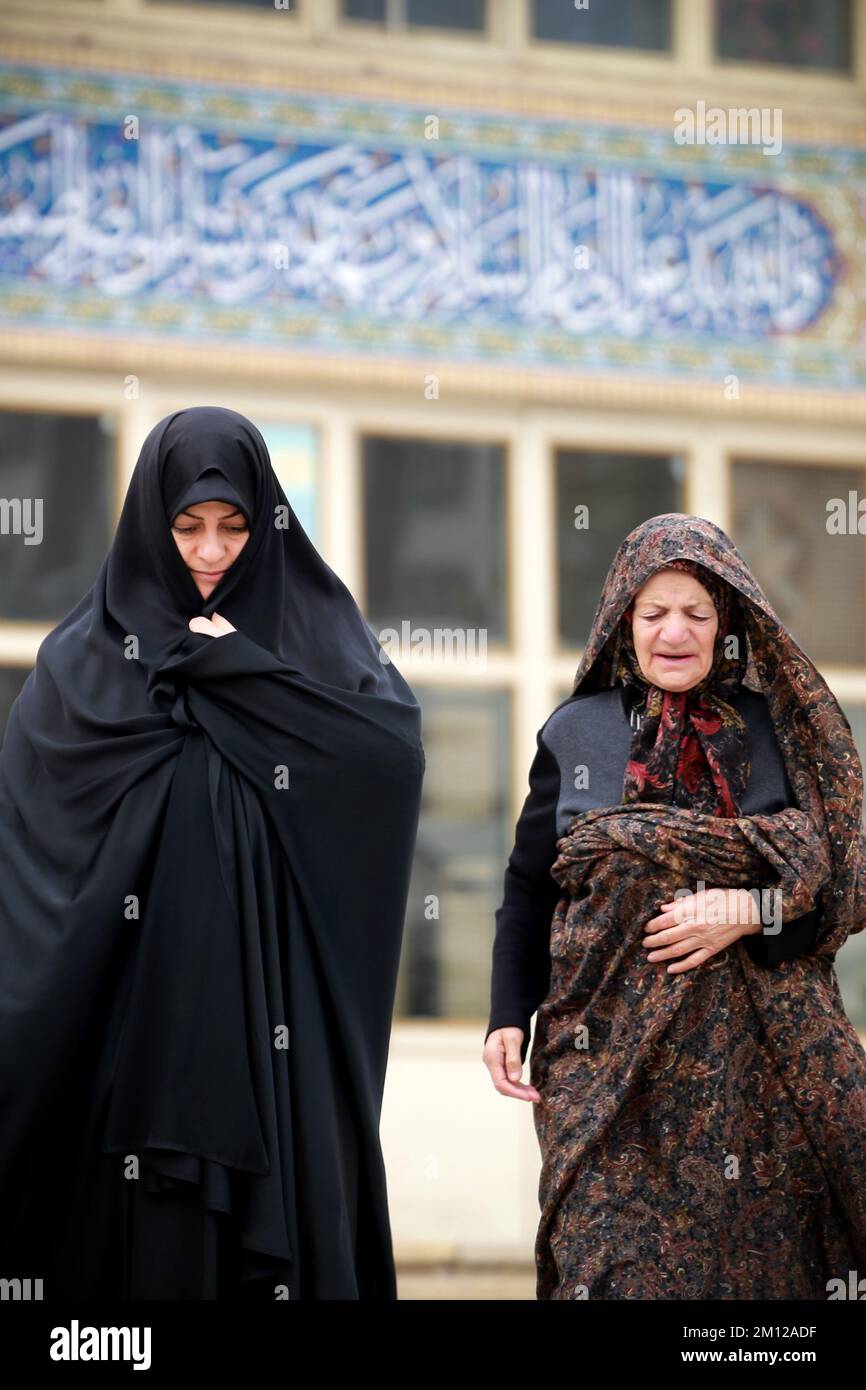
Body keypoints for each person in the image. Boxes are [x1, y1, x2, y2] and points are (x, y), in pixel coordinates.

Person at [0, 405, 425, 1300]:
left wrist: (245, 675)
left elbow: (385, 760)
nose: (210, 551)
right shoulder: (81, 663)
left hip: (278, 1028)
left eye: (234, 526)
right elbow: (38, 829)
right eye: (187, 526)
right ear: (150, 523)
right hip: (122, 1024)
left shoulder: (316, 638)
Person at [483, 512, 866, 1300]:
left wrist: (748, 913)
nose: (675, 632)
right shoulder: (576, 734)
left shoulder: (775, 734)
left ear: (725, 622)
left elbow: (834, 890)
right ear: (624, 621)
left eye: (696, 612)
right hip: (606, 1072)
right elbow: (530, 887)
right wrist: (506, 1015)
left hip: (755, 1085)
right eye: (654, 612)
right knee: (610, 1267)